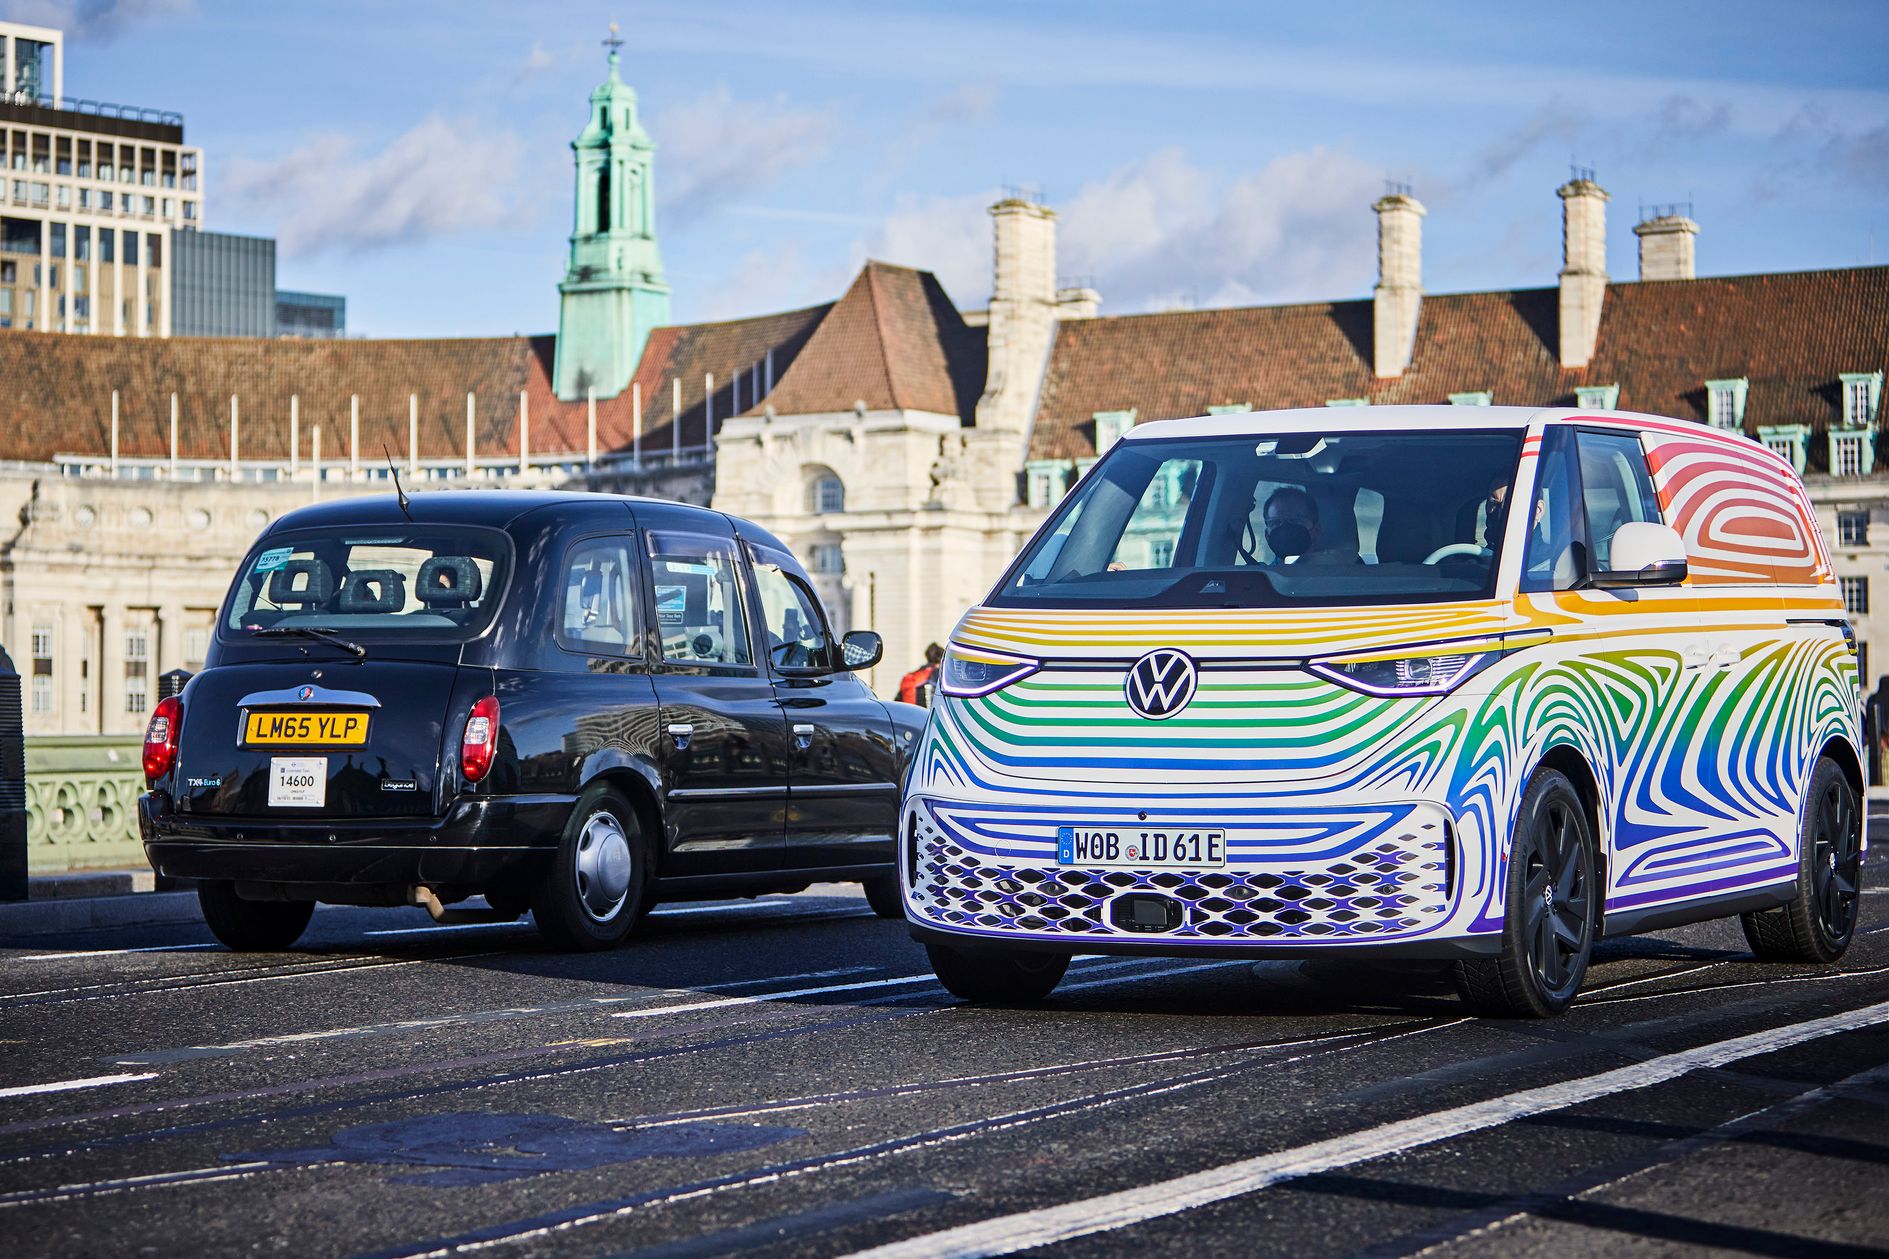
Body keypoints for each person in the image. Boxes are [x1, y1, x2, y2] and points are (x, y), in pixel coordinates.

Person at [1262, 486, 1358, 564]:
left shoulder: (1347, 573)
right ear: (1267, 535)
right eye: (1275, 523)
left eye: (1295, 521)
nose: (1285, 527)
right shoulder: (1255, 578)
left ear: (1317, 530)